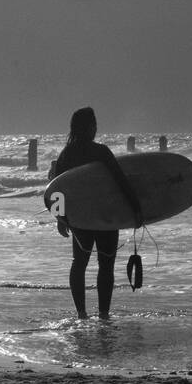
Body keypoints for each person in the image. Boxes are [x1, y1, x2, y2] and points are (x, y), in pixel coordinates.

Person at [52, 107, 143, 320]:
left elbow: (56, 188)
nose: (96, 128)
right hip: (106, 216)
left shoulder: (67, 154)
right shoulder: (101, 152)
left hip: (80, 217)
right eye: (94, 124)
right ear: (90, 127)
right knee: (106, 264)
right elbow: (121, 182)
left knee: (79, 262)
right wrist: (136, 210)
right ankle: (103, 314)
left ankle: (81, 314)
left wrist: (60, 217)